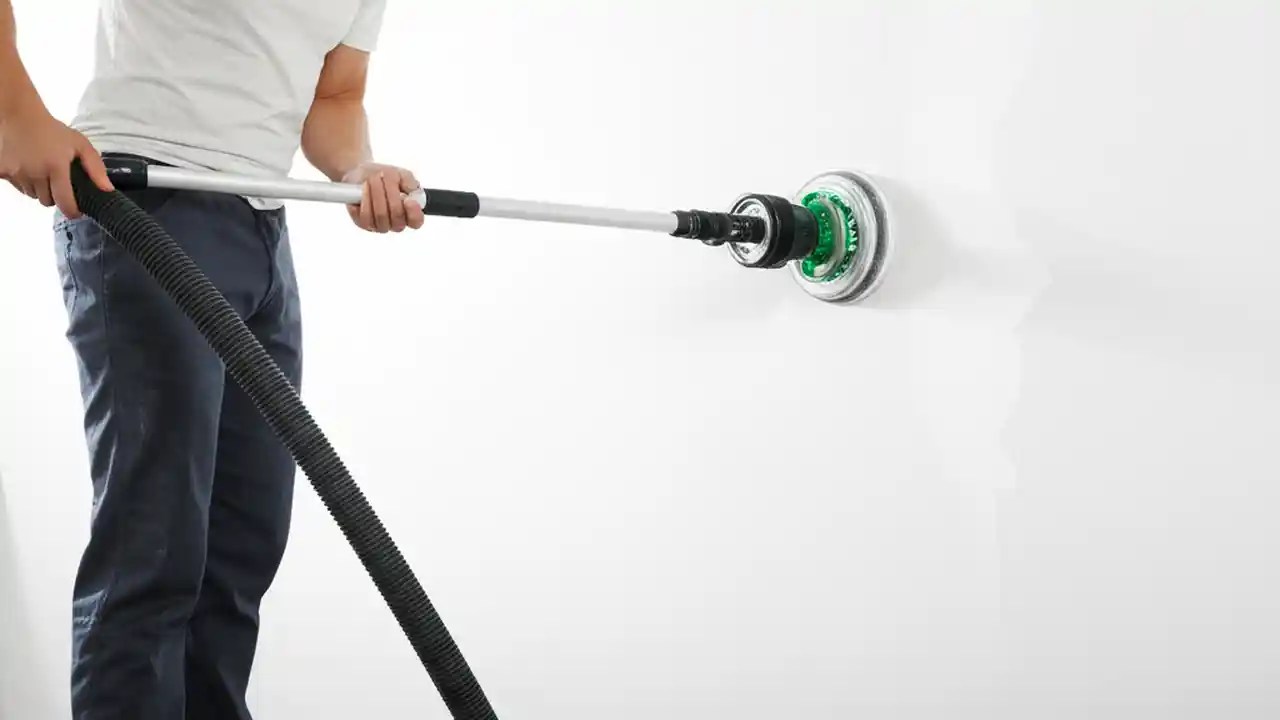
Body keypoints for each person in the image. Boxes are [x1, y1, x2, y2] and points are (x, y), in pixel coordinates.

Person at [0, 1, 421, 717]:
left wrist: (359, 167)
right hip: (144, 203)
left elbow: (337, 95)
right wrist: (15, 112)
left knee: (240, 551)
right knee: (155, 551)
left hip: (261, 226)